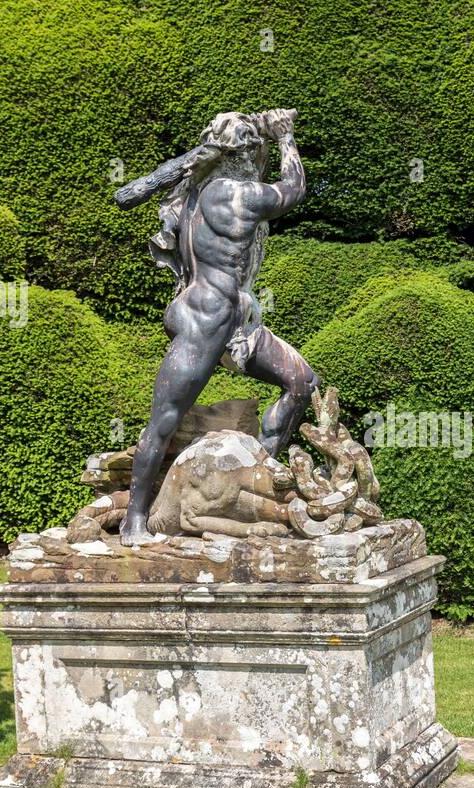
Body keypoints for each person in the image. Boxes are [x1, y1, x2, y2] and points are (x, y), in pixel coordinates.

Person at [115, 109, 320, 546]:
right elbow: (292, 191)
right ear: (239, 154)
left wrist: (259, 132)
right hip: (207, 318)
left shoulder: (205, 187)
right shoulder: (230, 194)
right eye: (252, 146)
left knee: (301, 380)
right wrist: (285, 137)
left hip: (229, 316)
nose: (256, 154)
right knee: (164, 419)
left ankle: (260, 469)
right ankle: (134, 519)